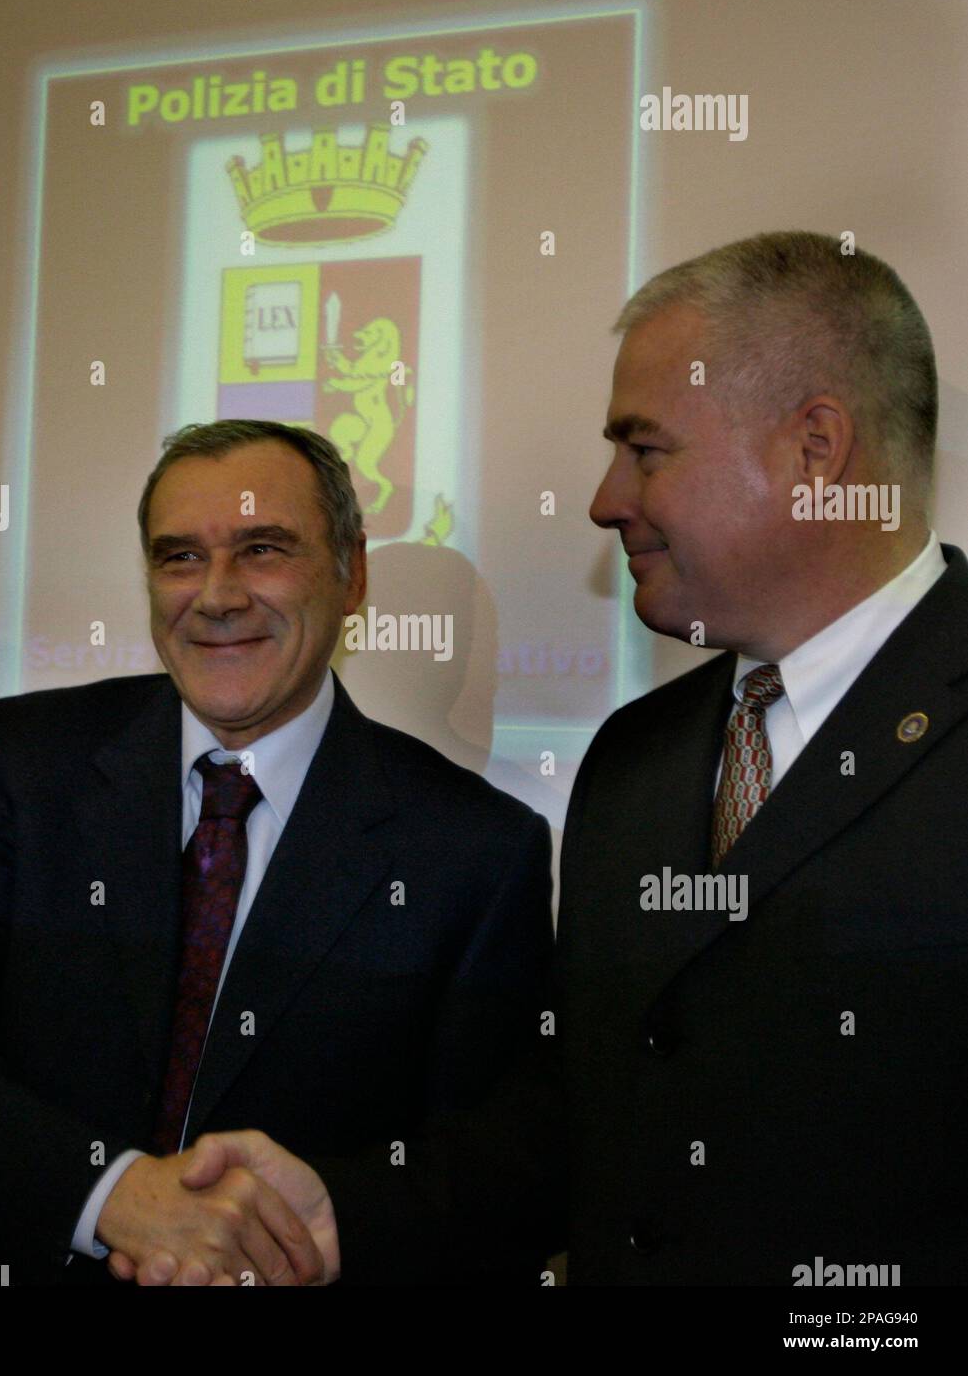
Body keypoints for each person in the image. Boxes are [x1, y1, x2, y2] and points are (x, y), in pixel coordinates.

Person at [122, 232, 968, 1287]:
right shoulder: (637, 761)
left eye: (646, 449)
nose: (606, 497)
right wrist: (342, 1210)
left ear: (815, 448)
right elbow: (583, 1108)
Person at [0, 419, 556, 1286]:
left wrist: (315, 1230)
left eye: (261, 549)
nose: (215, 595)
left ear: (351, 573)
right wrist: (111, 1196)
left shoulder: (474, 848)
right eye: (179, 557)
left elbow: (495, 1173)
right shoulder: (24, 764)